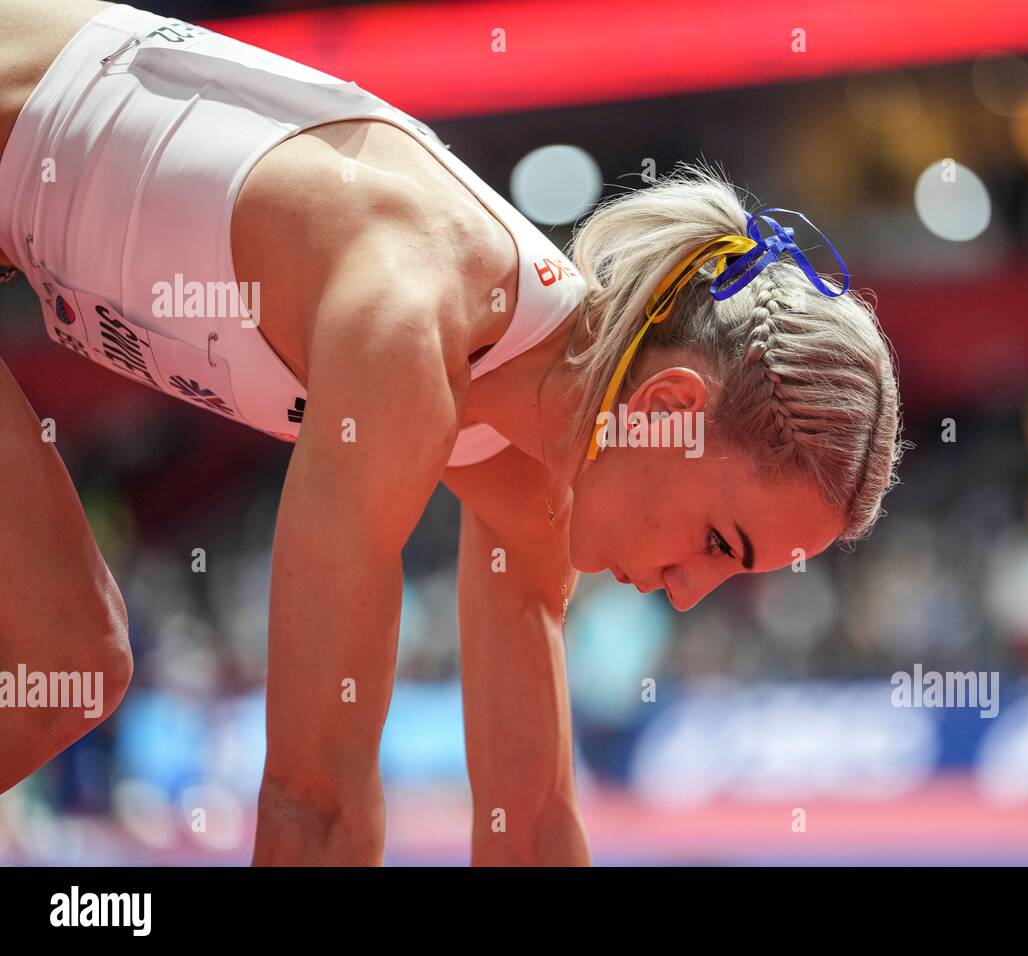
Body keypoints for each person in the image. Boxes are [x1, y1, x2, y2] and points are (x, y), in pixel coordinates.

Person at [0, 0, 903, 864]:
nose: (686, 594)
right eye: (719, 543)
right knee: (63, 658)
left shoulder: (530, 448)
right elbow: (315, 810)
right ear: (664, 410)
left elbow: (533, 827)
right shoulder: (409, 324)